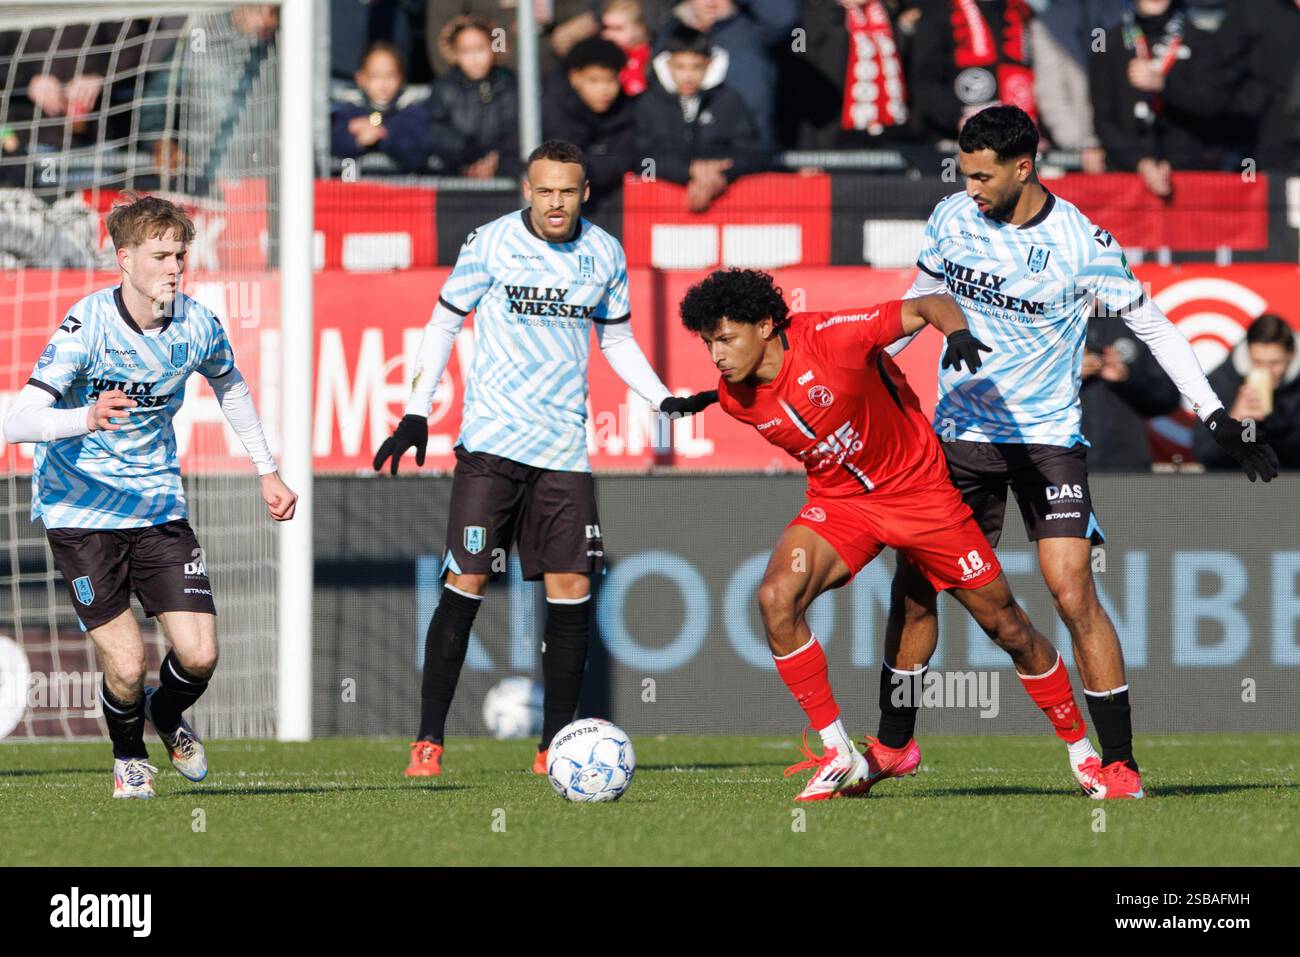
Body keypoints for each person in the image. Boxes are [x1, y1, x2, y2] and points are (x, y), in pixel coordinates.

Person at [884, 105, 1278, 801]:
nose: (969, 188)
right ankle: (891, 745)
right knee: (916, 592)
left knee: (1073, 590)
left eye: (982, 175)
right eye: (964, 173)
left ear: (1024, 167)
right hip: (962, 436)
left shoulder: (1081, 244)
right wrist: (859, 367)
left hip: (1047, 440)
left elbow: (1153, 327)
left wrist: (1215, 413)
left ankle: (1120, 763)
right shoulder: (951, 216)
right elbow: (916, 303)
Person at [678, 268, 1105, 801]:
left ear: (765, 325)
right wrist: (707, 399)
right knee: (775, 597)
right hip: (840, 505)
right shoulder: (735, 396)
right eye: (707, 343)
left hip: (922, 497)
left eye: (724, 338)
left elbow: (929, 302)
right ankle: (838, 752)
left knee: (1009, 628)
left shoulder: (834, 336)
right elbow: (779, 400)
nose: (716, 355)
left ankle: (1084, 755)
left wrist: (958, 334)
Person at [375, 140, 714, 779]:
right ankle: (428, 741)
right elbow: (443, 322)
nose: (556, 202)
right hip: (491, 449)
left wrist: (661, 397)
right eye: (544, 190)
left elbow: (615, 339)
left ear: (584, 192)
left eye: (568, 191)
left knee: (572, 587)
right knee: (466, 581)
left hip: (563, 452)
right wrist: (417, 410)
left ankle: (553, 746)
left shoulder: (604, 252)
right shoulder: (492, 244)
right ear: (528, 191)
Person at [0, 193, 297, 799]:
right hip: (80, 513)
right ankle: (129, 755)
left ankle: (166, 714)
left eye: (180, 255)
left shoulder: (198, 324)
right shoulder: (86, 327)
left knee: (201, 654)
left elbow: (231, 385)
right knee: (128, 664)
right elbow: (18, 418)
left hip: (157, 507)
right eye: (161, 256)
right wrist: (84, 417)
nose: (175, 268)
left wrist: (267, 470)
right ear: (124, 258)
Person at [634, 25, 761, 212]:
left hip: (726, 212)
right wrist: (690, 171)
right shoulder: (648, 103)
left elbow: (750, 152)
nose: (688, 76)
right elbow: (639, 157)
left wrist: (718, 176)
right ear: (668, 65)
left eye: (696, 67)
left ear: (709, 64)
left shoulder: (728, 100)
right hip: (659, 210)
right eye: (680, 66)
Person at [541, 38, 639, 208]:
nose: (604, 90)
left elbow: (626, 156)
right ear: (575, 78)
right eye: (594, 80)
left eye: (610, 80)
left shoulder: (627, 111)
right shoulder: (552, 109)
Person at [1194, 314, 1300, 470]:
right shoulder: (1222, 382)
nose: (1267, 371)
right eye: (1258, 362)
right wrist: (1232, 423)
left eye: (1275, 363)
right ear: (1248, 355)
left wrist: (1275, 421)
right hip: (1238, 487)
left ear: (1291, 356)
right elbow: (1204, 455)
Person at [331, 41, 453, 173]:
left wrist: (382, 134)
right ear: (361, 79)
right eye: (375, 76)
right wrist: (355, 140)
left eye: (390, 76)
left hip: (398, 189)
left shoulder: (412, 111)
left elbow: (417, 154)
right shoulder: (350, 111)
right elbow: (328, 146)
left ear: (401, 78)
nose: (383, 84)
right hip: (356, 190)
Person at [430, 15, 521, 179]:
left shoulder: (510, 85)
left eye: (480, 48)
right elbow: (439, 132)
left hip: (506, 175)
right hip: (457, 176)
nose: (474, 58)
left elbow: (517, 130)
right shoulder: (444, 89)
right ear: (455, 53)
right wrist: (471, 158)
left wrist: (496, 159)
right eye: (465, 51)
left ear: (493, 48)